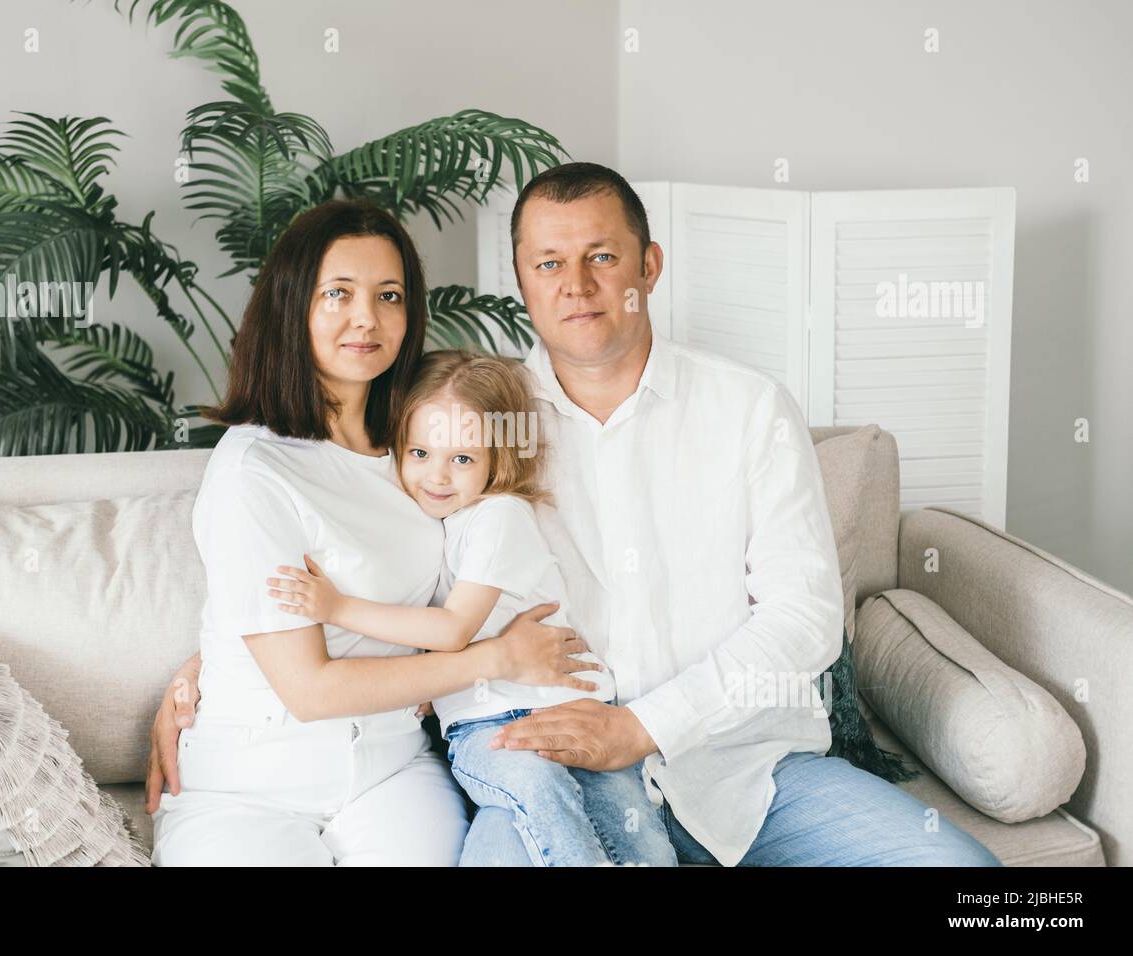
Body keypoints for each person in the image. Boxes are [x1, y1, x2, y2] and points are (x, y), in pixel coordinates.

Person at [150, 162, 1002, 867]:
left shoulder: (748, 409)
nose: (578, 286)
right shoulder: (474, 422)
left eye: (602, 256)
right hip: (552, 766)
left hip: (744, 769)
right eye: (548, 263)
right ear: (520, 280)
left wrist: (641, 727)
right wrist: (208, 665)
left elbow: (806, 620)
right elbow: (364, 546)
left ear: (649, 267)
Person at [148, 199, 597, 866]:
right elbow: (309, 688)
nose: (367, 318)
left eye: (389, 295)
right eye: (338, 294)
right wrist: (497, 659)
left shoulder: (422, 446)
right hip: (252, 782)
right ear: (293, 307)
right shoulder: (255, 468)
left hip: (390, 769)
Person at [268, 348, 677, 866]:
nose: (437, 476)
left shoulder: (498, 517)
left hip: (562, 711)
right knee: (540, 792)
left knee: (633, 832)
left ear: (497, 460)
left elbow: (453, 630)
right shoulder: (434, 522)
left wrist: (336, 607)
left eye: (462, 459)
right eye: (419, 453)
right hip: (494, 723)